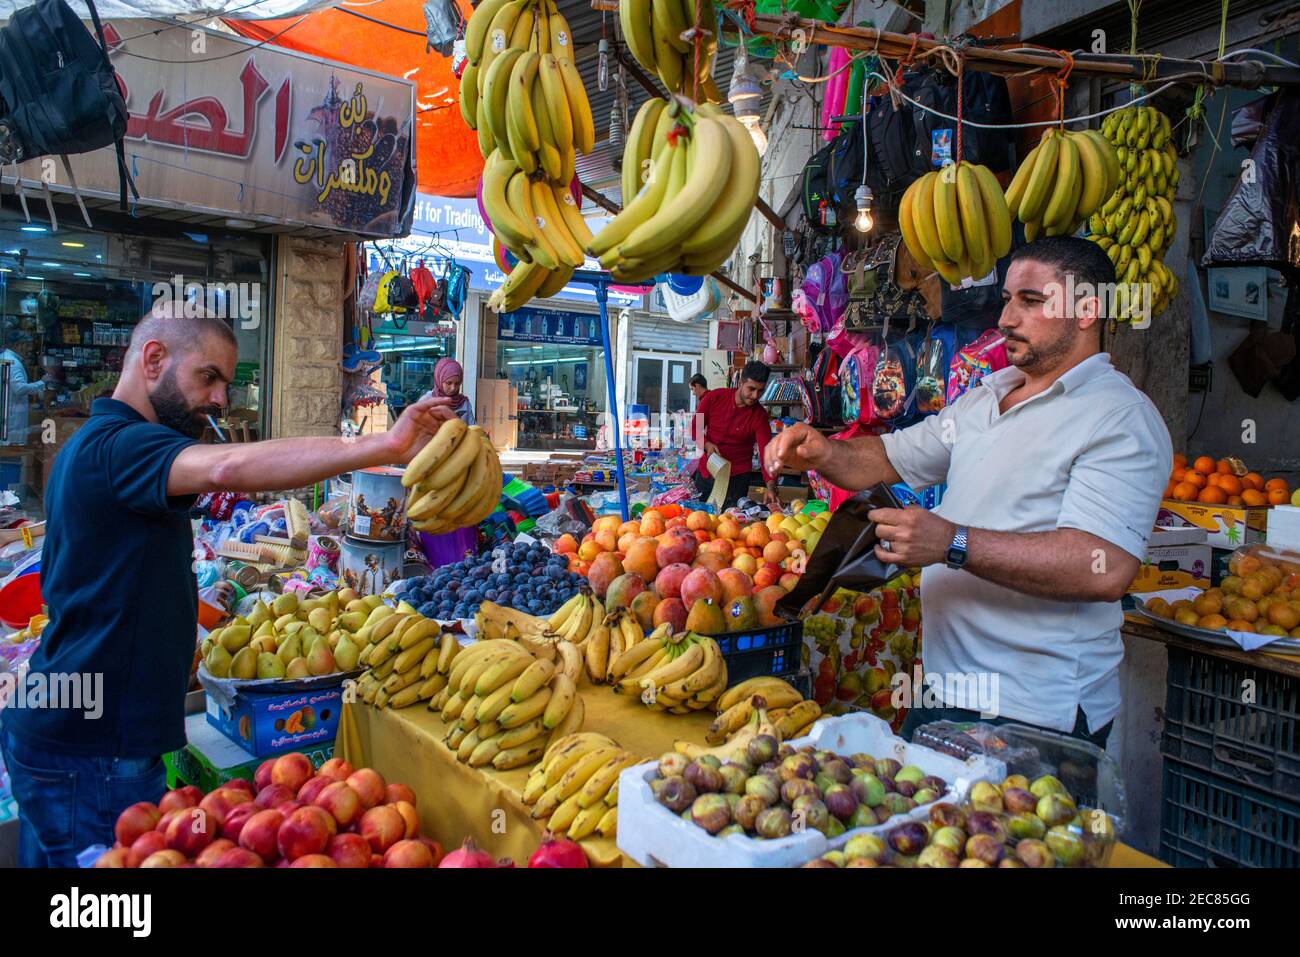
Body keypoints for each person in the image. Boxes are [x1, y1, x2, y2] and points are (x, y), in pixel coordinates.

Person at [0, 302, 456, 867]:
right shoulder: (122, 445)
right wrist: (384, 446)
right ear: (153, 359)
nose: (220, 398)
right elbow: (227, 466)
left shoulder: (96, 446)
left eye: (226, 382)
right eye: (208, 377)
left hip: (73, 735)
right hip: (93, 750)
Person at [766, 237, 1173, 747]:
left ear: (1088, 311)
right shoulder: (984, 400)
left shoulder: (1119, 418)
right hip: (942, 689)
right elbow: (889, 458)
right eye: (1006, 299)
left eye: (1030, 301)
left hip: (1034, 712)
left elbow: (1105, 565)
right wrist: (822, 452)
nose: (1006, 318)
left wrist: (952, 543)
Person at [693, 360, 780, 510]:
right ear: (740, 382)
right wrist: (707, 444)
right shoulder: (714, 397)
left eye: (760, 391)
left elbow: (767, 452)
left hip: (736, 480)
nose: (755, 396)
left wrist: (771, 486)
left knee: (730, 526)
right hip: (707, 472)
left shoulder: (759, 416)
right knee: (698, 520)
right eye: (751, 389)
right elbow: (696, 427)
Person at [0, 339, 50, 447]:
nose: (29, 350)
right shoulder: (14, 363)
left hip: (7, 410)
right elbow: (19, 389)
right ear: (19, 345)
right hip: (12, 412)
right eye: (27, 346)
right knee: (12, 445)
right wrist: (42, 382)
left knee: (6, 443)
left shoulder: (4, 357)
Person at [422, 356, 475, 425]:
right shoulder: (427, 401)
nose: (453, 388)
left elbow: (473, 426)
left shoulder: (464, 403)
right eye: (449, 383)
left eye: (457, 383)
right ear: (439, 380)